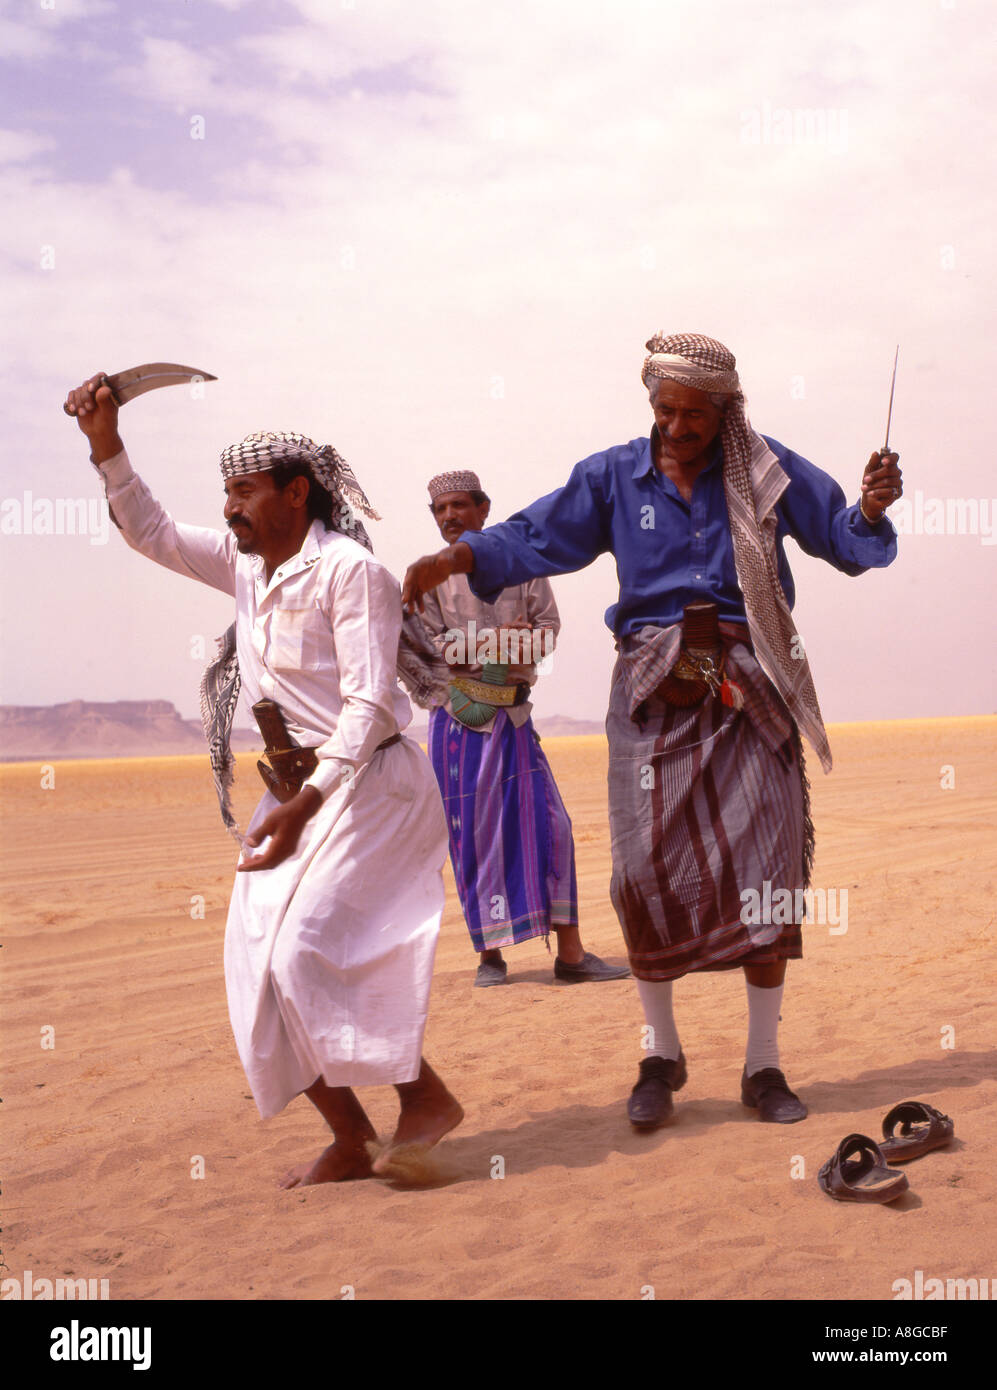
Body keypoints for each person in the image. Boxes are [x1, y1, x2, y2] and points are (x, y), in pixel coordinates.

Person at [403, 332, 901, 1128]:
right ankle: (660, 1056)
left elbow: (842, 539)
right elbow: (534, 535)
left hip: (747, 686)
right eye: (665, 410)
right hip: (650, 691)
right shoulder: (612, 476)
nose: (676, 427)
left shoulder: (765, 469)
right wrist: (457, 558)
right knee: (641, 877)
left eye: (693, 413)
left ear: (725, 409)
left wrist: (869, 510)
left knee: (767, 872)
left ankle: (762, 1066)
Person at [66, 373, 462, 1185]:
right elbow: (150, 531)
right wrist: (106, 444)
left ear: (295, 492)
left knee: (305, 951)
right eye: (226, 493)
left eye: (243, 491)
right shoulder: (245, 566)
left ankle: (425, 1099)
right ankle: (350, 1137)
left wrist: (308, 800)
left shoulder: (351, 572)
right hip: (291, 796)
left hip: (369, 788)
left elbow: (367, 707)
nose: (229, 508)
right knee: (255, 965)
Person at [419, 470, 630, 986]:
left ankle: (571, 957)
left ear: (483, 509)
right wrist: (500, 642)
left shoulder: (524, 566)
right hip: (458, 724)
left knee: (552, 829)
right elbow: (432, 651)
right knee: (472, 840)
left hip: (514, 717)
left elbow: (547, 634)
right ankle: (489, 957)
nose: (449, 516)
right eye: (440, 509)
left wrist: (489, 647)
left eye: (458, 505)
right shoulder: (430, 578)